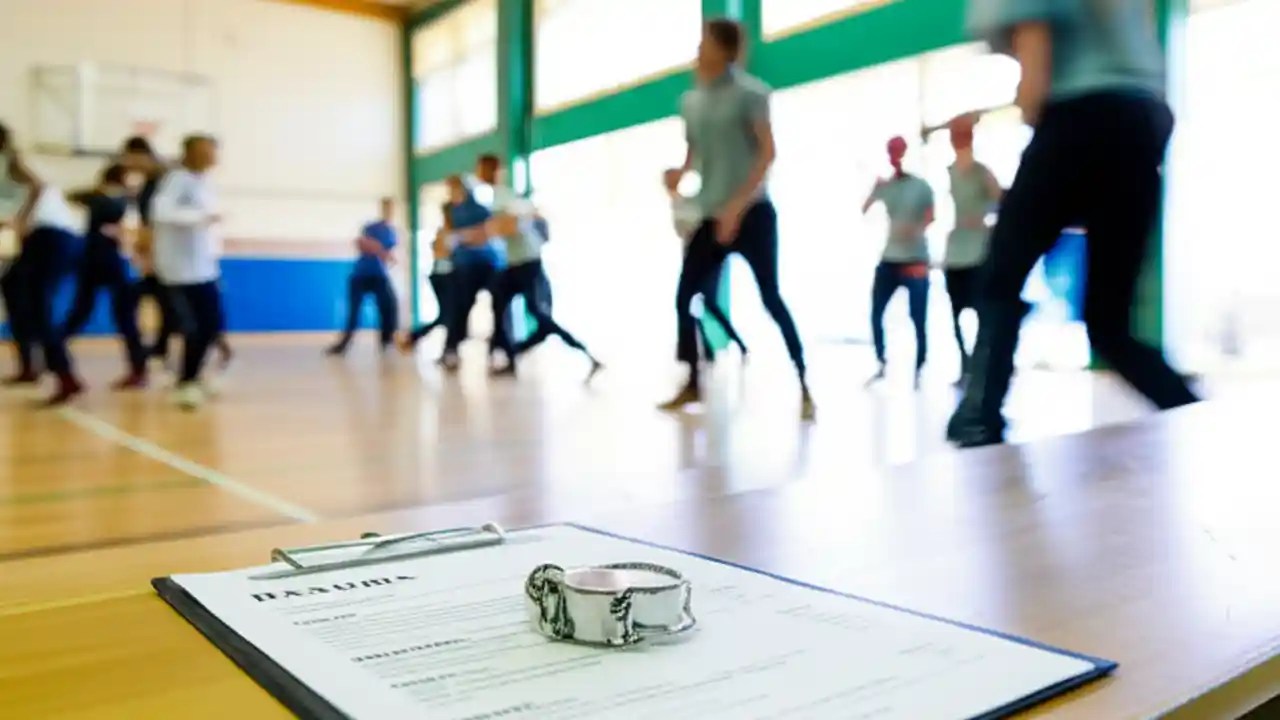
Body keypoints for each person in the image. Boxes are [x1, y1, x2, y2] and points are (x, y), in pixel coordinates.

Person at [949, 0, 1200, 447]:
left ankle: (978, 419)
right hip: (1144, 119)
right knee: (1108, 321)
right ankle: (1195, 415)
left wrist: (1031, 118)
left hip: (1079, 118)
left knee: (1000, 279)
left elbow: (1035, 59)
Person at [661, 19, 814, 420]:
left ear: (725, 49)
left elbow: (767, 152)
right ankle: (692, 382)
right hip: (710, 213)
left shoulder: (751, 94)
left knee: (770, 297)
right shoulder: (690, 102)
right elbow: (694, 154)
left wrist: (738, 207)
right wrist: (679, 174)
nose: (699, 47)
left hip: (752, 211)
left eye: (707, 42)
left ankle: (804, 383)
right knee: (684, 298)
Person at [485, 163, 602, 380]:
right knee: (499, 304)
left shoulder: (504, 198)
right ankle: (509, 356)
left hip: (528, 263)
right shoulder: (503, 198)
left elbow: (509, 226)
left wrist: (495, 228)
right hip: (515, 264)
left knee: (540, 317)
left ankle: (586, 355)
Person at [0, 123, 86, 404]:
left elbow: (38, 187)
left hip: (53, 238)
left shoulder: (13, 161)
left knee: (39, 308)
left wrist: (22, 220)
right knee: (13, 288)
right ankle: (30, 365)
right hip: (44, 239)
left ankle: (65, 376)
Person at [150, 134, 224, 410]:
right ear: (190, 153)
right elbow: (161, 212)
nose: (212, 156)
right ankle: (186, 382)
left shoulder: (204, 183)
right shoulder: (176, 180)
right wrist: (200, 218)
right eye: (207, 150)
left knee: (213, 323)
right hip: (179, 270)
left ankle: (193, 376)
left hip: (204, 268)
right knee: (192, 328)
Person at [62, 163, 148, 390]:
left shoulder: (109, 198)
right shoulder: (114, 198)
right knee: (120, 316)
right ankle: (138, 369)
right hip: (105, 261)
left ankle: (53, 354)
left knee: (83, 312)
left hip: (98, 260)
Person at [862, 136, 935, 388]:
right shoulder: (885, 186)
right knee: (876, 312)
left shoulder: (921, 187)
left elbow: (930, 216)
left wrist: (915, 228)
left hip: (915, 259)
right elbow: (865, 209)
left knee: (918, 317)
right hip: (890, 258)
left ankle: (919, 367)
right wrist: (874, 190)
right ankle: (882, 361)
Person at [664, 167, 749, 362]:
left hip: (707, 257)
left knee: (701, 302)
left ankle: (708, 353)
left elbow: (699, 228)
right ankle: (708, 352)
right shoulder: (677, 204)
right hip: (694, 258)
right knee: (699, 303)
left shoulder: (689, 203)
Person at [942, 114, 1002, 385]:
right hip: (955, 253)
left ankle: (979, 367)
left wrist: (983, 221)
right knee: (956, 314)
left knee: (981, 313)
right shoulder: (950, 172)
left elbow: (1000, 202)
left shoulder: (981, 172)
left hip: (978, 252)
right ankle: (965, 366)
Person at [439, 174, 501, 371]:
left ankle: (496, 350)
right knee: (459, 308)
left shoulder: (480, 210)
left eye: (455, 189)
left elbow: (486, 234)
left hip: (485, 264)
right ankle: (451, 350)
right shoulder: (453, 211)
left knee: (498, 306)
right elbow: (447, 238)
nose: (453, 194)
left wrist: (464, 236)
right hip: (462, 265)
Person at [327, 197, 399, 356]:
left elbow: (387, 253)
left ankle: (386, 341)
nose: (389, 211)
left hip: (379, 275)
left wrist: (380, 251)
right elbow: (361, 243)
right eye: (387, 208)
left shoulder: (392, 232)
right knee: (353, 311)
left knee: (389, 306)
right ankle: (343, 344)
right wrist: (380, 250)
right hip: (361, 274)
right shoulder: (371, 227)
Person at [398, 228, 454, 352]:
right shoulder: (445, 234)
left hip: (442, 276)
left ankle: (414, 337)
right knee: (446, 317)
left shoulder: (448, 234)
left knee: (446, 317)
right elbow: (442, 253)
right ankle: (414, 337)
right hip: (442, 277)